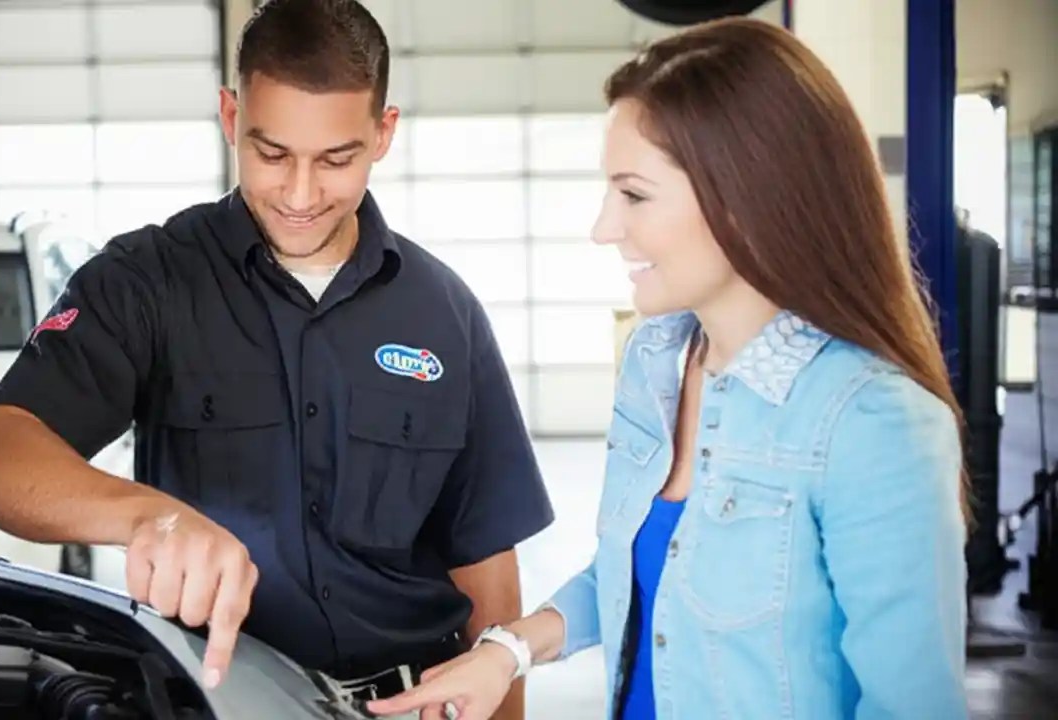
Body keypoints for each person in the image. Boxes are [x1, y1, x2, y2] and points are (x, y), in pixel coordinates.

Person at [0, 0, 553, 716]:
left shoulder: (443, 311)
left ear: (383, 133)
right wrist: (147, 517)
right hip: (219, 701)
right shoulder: (147, 281)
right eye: (273, 154)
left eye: (336, 159)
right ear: (232, 118)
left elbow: (487, 569)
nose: (300, 194)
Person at [367, 17, 970, 720]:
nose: (603, 227)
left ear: (746, 197)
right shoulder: (655, 363)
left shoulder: (872, 422)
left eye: (634, 194)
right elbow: (633, 577)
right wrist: (506, 654)